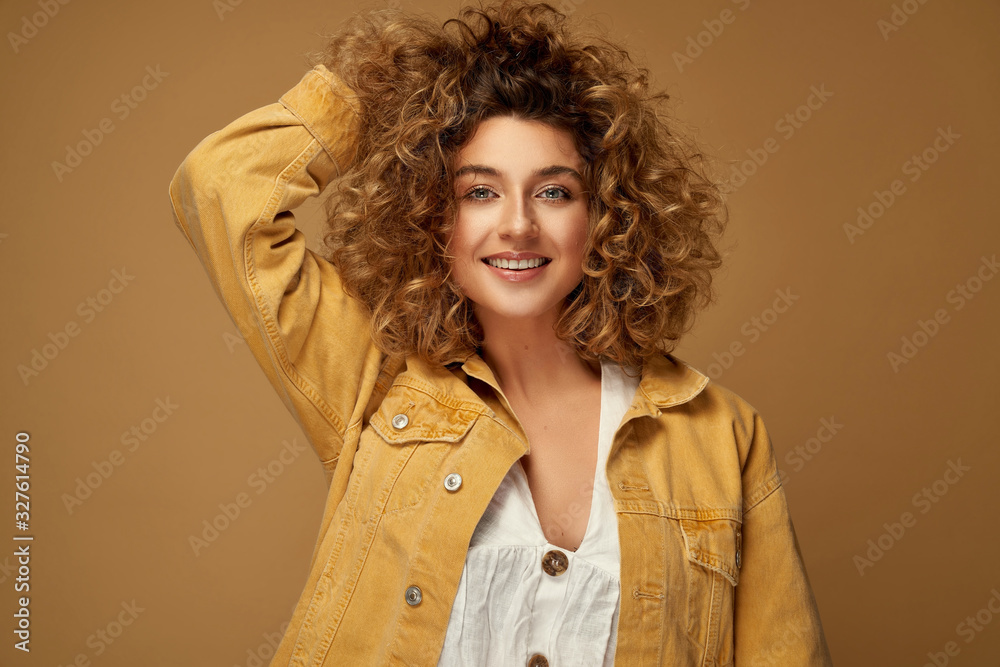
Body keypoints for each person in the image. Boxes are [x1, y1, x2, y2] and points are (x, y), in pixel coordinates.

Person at [167, 0, 834, 664]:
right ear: (432, 215)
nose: (517, 225)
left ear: (606, 216)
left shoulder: (721, 435)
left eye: (554, 192)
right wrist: (373, 85)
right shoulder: (378, 384)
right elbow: (222, 188)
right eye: (479, 192)